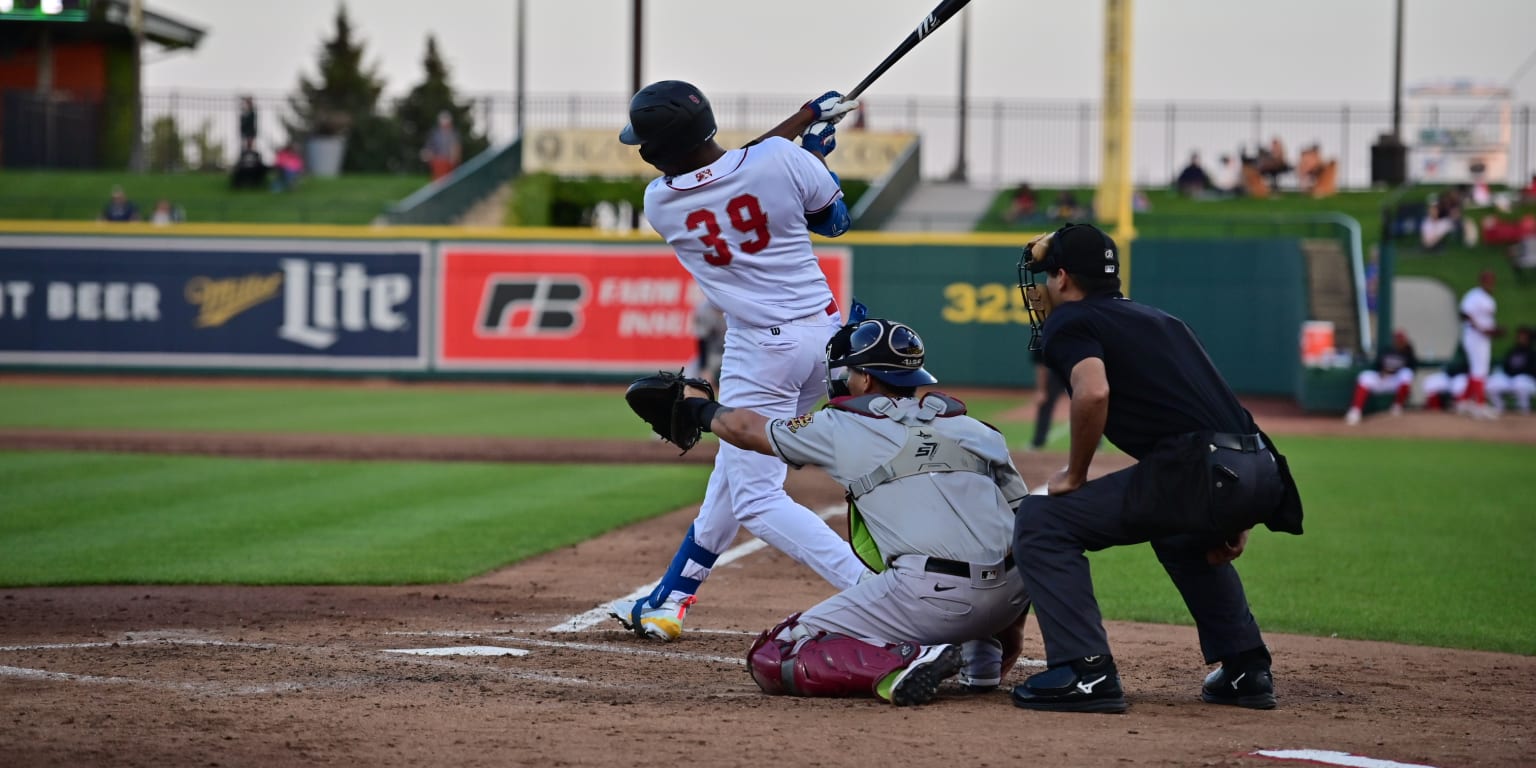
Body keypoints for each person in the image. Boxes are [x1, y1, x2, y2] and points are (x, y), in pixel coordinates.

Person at [607, 80, 868, 642]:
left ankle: (878, 597)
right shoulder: (779, 159)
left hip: (761, 352)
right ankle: (670, 600)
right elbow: (833, 220)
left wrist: (801, 126)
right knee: (734, 474)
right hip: (823, 341)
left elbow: (733, 171)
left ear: (657, 150)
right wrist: (811, 157)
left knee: (756, 497)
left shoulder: (660, 202)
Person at [1008, 222, 1303, 714]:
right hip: (1258, 465)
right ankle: (1246, 669)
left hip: (1205, 469)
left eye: (1046, 277)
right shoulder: (1161, 319)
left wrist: (1075, 473)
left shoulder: (1071, 320)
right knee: (1181, 530)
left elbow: (1093, 390)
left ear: (1063, 278)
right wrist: (1237, 509)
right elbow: (1226, 410)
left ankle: (1085, 672)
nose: (1040, 288)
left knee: (1042, 520)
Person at [671, 318, 1032, 705]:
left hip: (934, 602)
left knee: (776, 653)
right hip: (1009, 596)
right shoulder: (975, 428)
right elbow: (1028, 531)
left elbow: (746, 429)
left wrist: (696, 405)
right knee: (1002, 547)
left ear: (865, 380)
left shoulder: (843, 424)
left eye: (850, 370)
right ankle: (983, 663)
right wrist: (1006, 627)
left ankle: (908, 660)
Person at [1344, 330, 1418, 425]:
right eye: (1397, 340)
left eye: (1401, 340)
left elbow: (1412, 370)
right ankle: (1355, 411)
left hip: (1395, 382)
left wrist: (1393, 372)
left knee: (1406, 373)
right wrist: (1381, 372)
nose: (1399, 342)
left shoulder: (1408, 352)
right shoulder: (1386, 350)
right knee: (1365, 376)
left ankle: (1397, 407)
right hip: (1382, 379)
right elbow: (1377, 365)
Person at [1455, 269, 1502, 418]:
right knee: (1479, 370)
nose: (1489, 283)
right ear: (1481, 281)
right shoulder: (1474, 295)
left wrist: (1493, 330)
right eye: (1487, 280)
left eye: (1491, 280)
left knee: (1478, 370)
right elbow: (1464, 313)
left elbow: (1486, 321)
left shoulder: (1489, 299)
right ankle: (1479, 405)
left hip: (1483, 338)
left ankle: (1463, 402)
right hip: (1474, 337)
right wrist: (1480, 329)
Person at [1487, 325, 1534, 415]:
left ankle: (1524, 407)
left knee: (1520, 382)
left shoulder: (1532, 353)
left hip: (1526, 381)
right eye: (1520, 336)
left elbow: (1531, 371)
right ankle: (1499, 406)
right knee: (1491, 385)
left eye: (1524, 337)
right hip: (1510, 378)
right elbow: (1506, 366)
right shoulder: (1512, 351)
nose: (1521, 338)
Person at [1029, 347, 1066, 450]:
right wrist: (1041, 390)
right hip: (1054, 373)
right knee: (1045, 404)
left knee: (1089, 403)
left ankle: (1096, 444)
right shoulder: (1041, 340)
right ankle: (1038, 441)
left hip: (1076, 368)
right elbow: (1040, 366)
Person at [686, 298, 728, 389]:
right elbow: (702, 342)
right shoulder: (703, 309)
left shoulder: (735, 307)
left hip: (735, 351)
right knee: (690, 373)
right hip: (713, 354)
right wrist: (704, 369)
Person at [423, 110, 462, 181]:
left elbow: (457, 149)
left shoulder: (454, 134)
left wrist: (454, 158)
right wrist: (428, 155)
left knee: (450, 181)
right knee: (439, 181)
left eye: (447, 123)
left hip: (451, 164)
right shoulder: (435, 134)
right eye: (444, 124)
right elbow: (429, 148)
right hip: (438, 163)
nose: (446, 126)